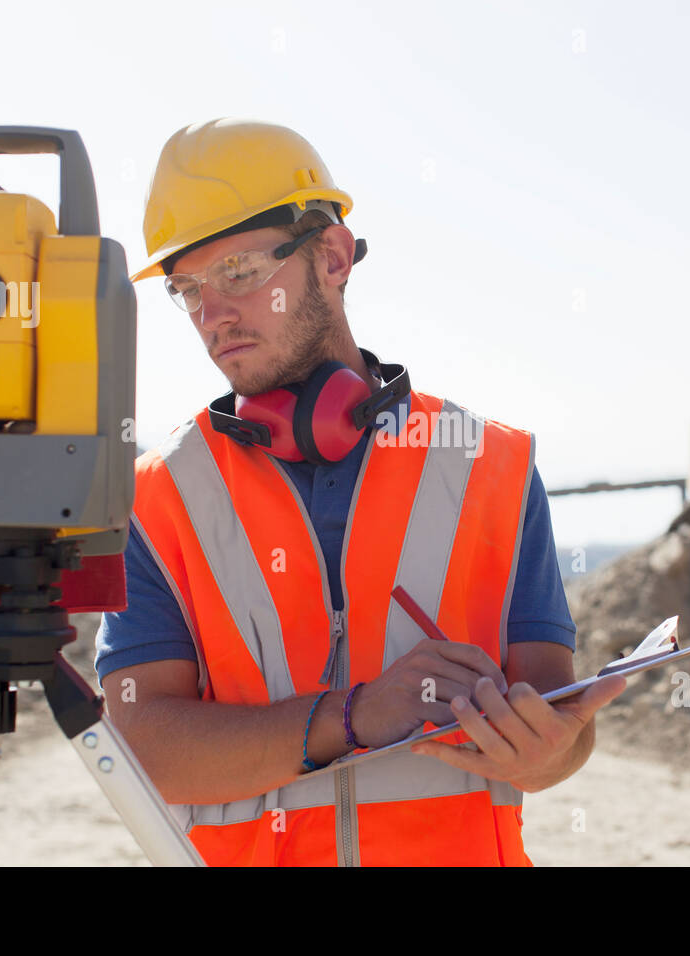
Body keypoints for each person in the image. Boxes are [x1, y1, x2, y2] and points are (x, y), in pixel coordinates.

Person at [95, 118, 626, 866]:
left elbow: (558, 724)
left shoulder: (490, 466)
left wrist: (544, 755)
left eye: (241, 273)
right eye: (188, 289)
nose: (212, 316)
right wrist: (353, 715)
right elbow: (141, 746)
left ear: (334, 256)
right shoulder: (157, 499)